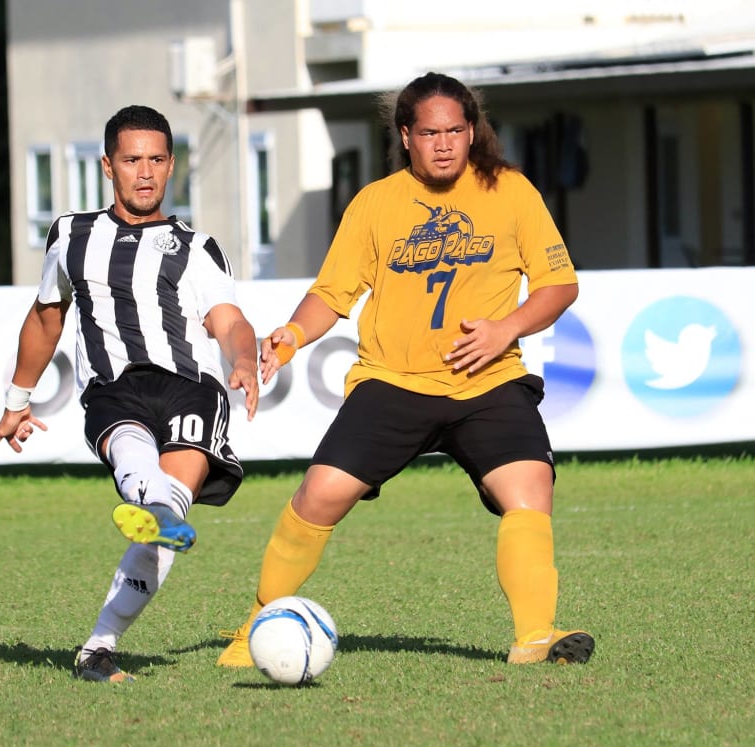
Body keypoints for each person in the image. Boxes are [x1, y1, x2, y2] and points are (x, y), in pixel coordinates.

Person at [217, 72, 593, 668]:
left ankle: (535, 636)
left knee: (530, 491)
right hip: (393, 382)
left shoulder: (513, 191)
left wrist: (505, 330)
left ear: (471, 133)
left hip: (488, 381)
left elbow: (559, 285)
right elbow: (332, 294)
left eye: (454, 131)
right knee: (319, 495)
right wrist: (289, 336)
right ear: (406, 136)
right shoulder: (376, 203)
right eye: (429, 133)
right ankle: (258, 626)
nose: (443, 144)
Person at [0, 105, 260, 682]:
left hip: (191, 390)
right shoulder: (71, 235)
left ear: (171, 166)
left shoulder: (197, 246)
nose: (145, 172)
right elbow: (45, 318)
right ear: (108, 165)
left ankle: (99, 647)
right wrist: (16, 400)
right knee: (137, 460)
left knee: (165, 518)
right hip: (113, 388)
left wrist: (244, 361)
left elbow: (229, 320)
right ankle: (152, 513)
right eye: (132, 160)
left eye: (157, 160)